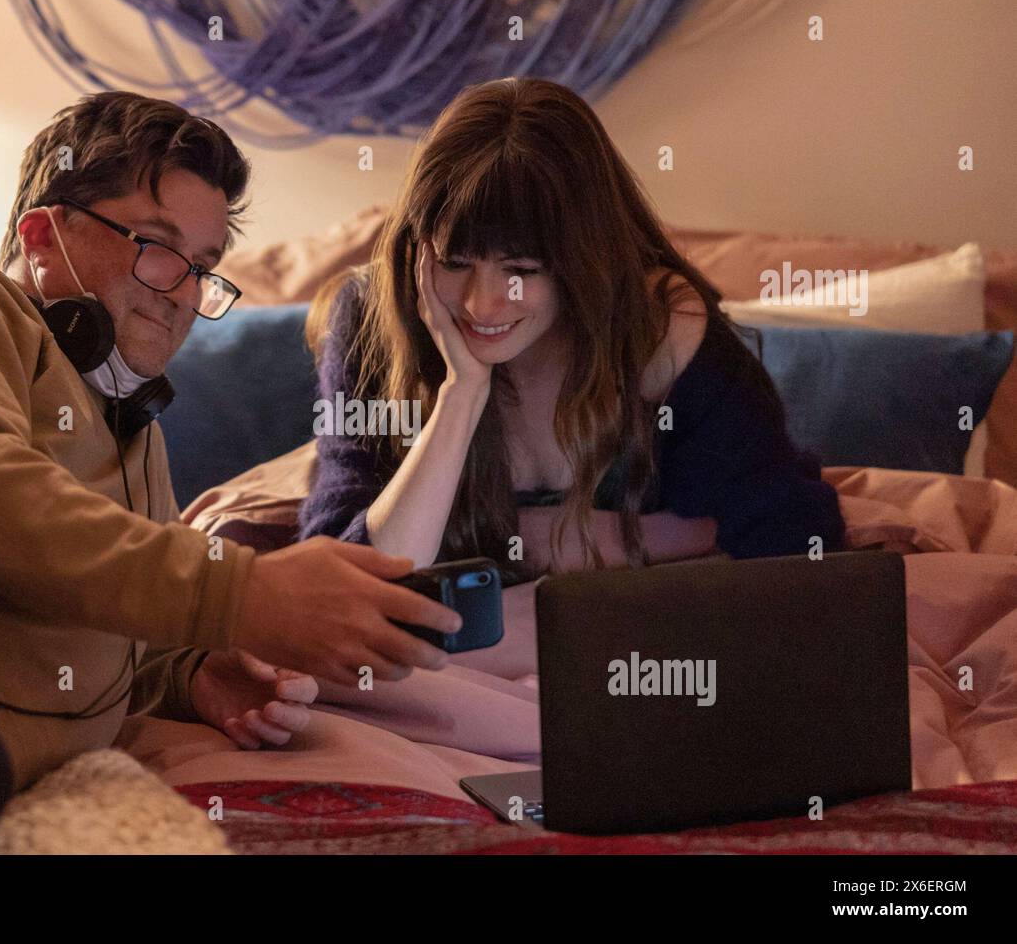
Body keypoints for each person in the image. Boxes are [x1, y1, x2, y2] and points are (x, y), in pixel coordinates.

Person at [0, 92, 459, 853]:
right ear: (42, 236)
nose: (185, 291)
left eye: (204, 267)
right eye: (160, 247)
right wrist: (237, 592)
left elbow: (102, 613)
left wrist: (192, 671)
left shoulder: (139, 442)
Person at [299, 77, 845, 677]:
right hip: (446, 673)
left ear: (582, 262)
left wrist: (555, 538)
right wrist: (461, 395)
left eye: (521, 269)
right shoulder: (375, 314)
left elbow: (795, 536)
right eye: (454, 262)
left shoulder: (656, 328)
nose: (483, 305)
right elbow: (345, 587)